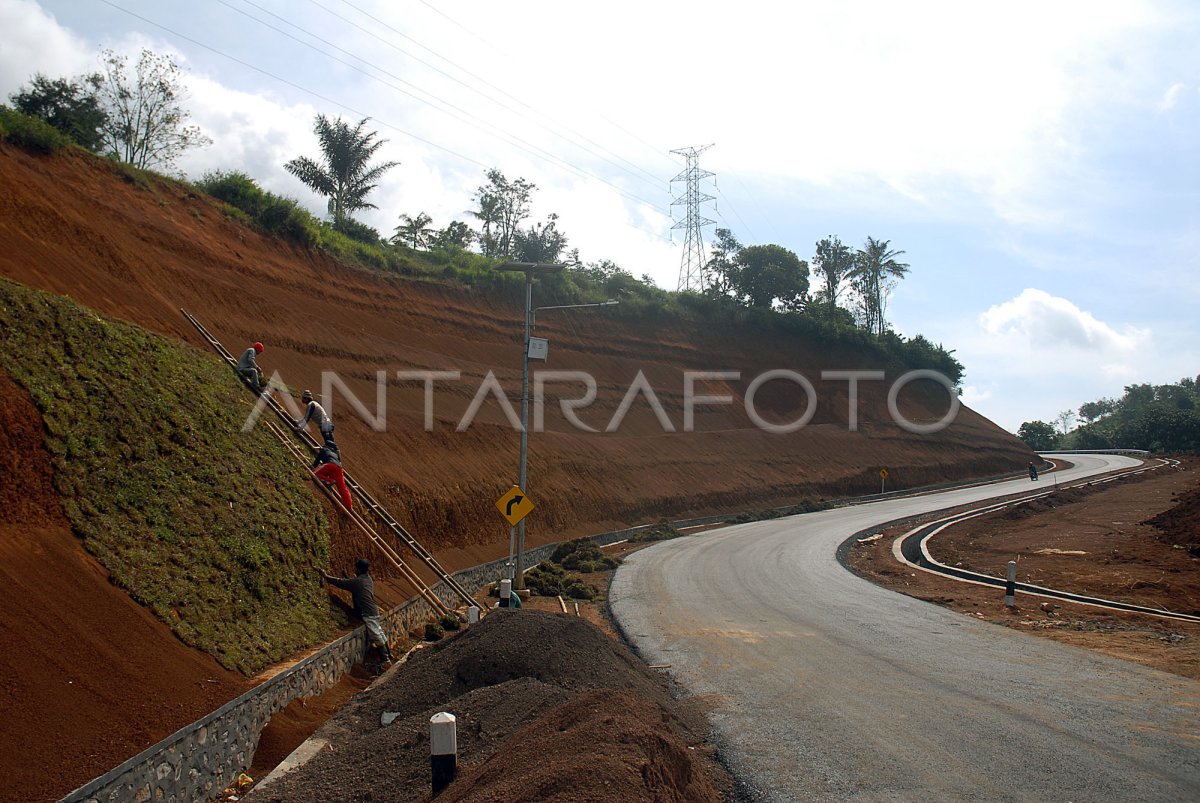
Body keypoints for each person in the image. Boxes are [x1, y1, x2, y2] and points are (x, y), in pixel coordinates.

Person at [321, 558, 392, 665]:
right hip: (373, 610)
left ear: (358, 569)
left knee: (376, 634)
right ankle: (389, 654)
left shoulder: (358, 582)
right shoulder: (368, 579)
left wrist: (326, 576)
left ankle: (385, 659)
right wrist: (347, 577)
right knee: (380, 632)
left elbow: (341, 583)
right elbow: (352, 584)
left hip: (368, 613)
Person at [312, 436, 353, 510]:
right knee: (342, 488)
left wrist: (313, 466)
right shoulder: (335, 454)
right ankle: (349, 505)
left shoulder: (324, 449)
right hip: (339, 469)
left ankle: (329, 480)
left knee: (314, 472)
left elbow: (317, 461)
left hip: (330, 465)